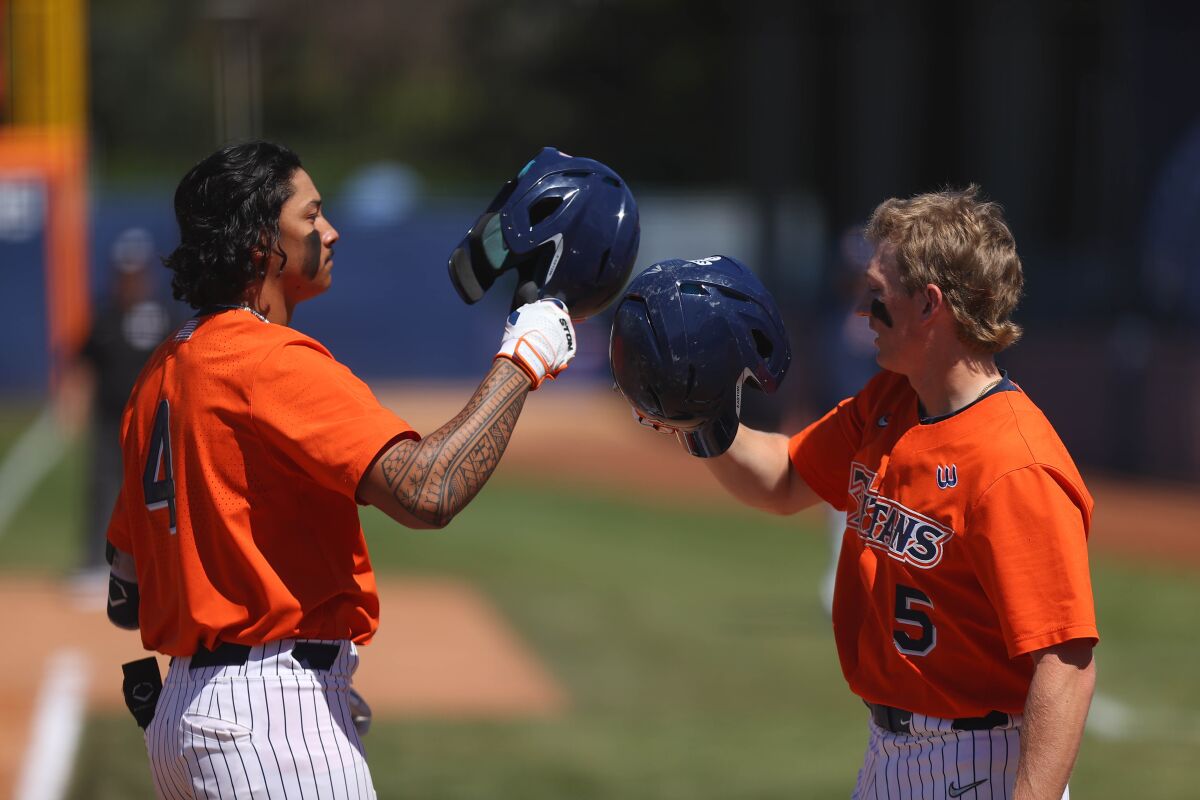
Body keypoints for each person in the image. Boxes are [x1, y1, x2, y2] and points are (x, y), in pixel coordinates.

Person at [103, 140, 582, 799]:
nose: (332, 231)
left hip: (185, 721)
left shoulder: (161, 371)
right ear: (259, 244)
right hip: (267, 721)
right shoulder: (270, 361)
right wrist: (521, 361)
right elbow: (428, 490)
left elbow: (125, 591)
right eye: (312, 216)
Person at [612, 188, 1097, 799]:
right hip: (890, 755)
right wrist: (704, 421)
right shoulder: (892, 404)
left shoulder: (1014, 465)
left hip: (984, 764)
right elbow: (785, 477)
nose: (862, 311)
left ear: (929, 305)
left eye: (875, 294)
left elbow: (1065, 665)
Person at [64, 228, 176, 585]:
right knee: (102, 485)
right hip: (109, 417)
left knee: (155, 492)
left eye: (135, 274)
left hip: (152, 422)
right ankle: (98, 563)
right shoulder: (105, 316)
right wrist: (75, 400)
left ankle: (156, 567)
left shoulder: (163, 316)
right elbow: (85, 362)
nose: (129, 282)